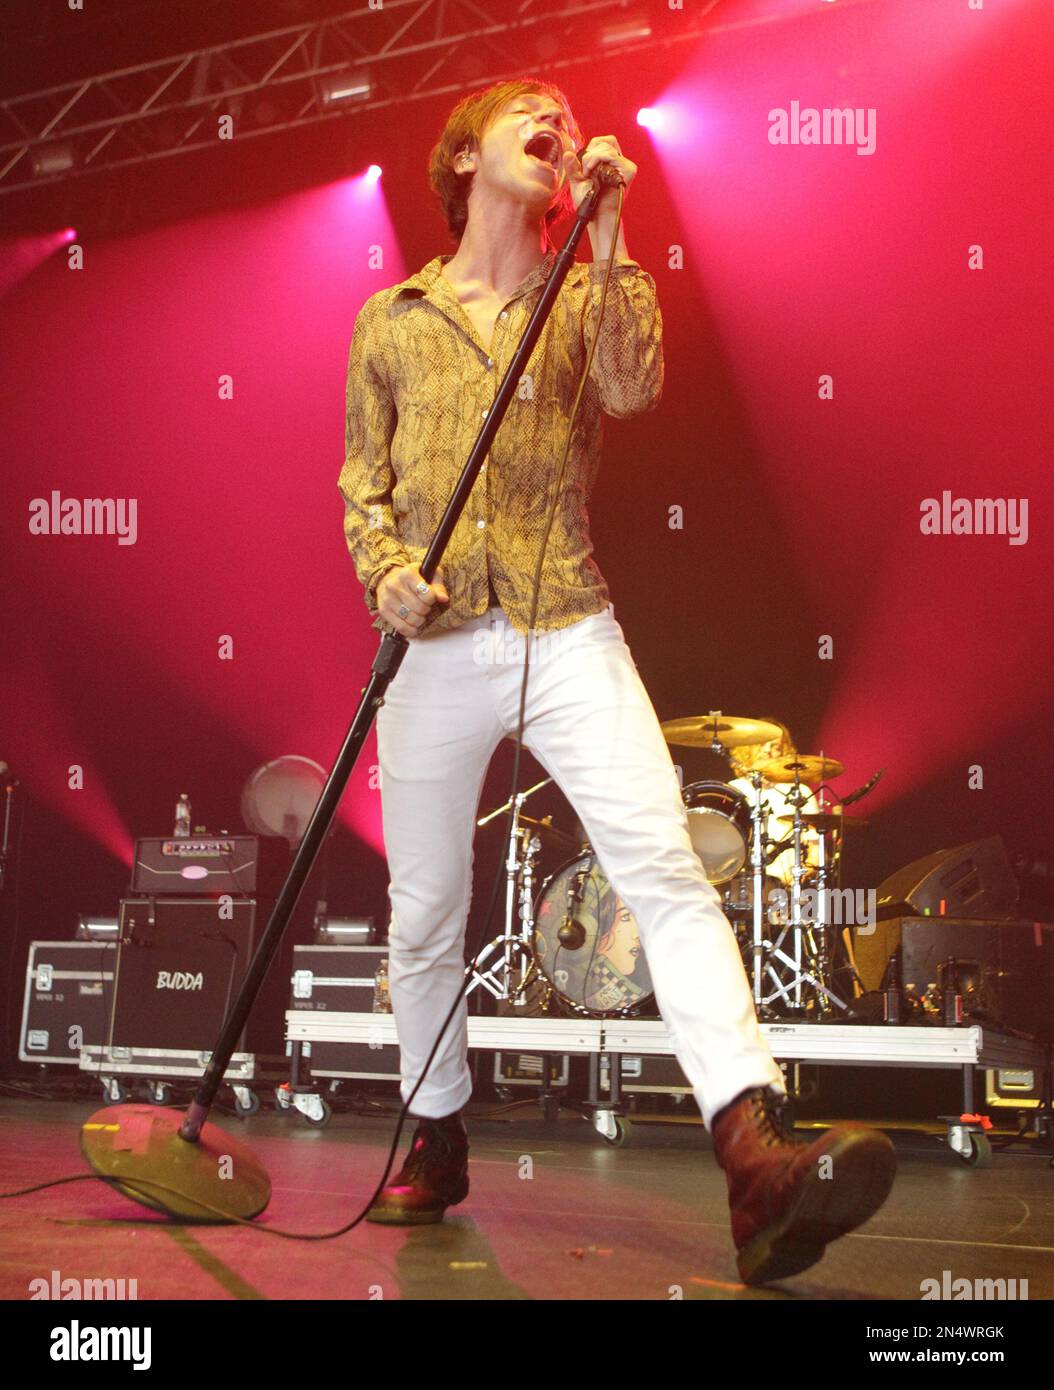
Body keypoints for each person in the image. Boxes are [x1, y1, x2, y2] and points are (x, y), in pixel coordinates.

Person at [337, 77, 895, 1285]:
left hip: (567, 628)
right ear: (464, 154)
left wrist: (605, 232)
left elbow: (637, 383)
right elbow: (359, 488)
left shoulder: (583, 297)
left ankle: (753, 1149)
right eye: (525, 110)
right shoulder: (390, 319)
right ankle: (434, 1132)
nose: (554, 116)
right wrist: (384, 572)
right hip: (433, 651)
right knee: (425, 910)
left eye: (563, 110)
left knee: (663, 870)